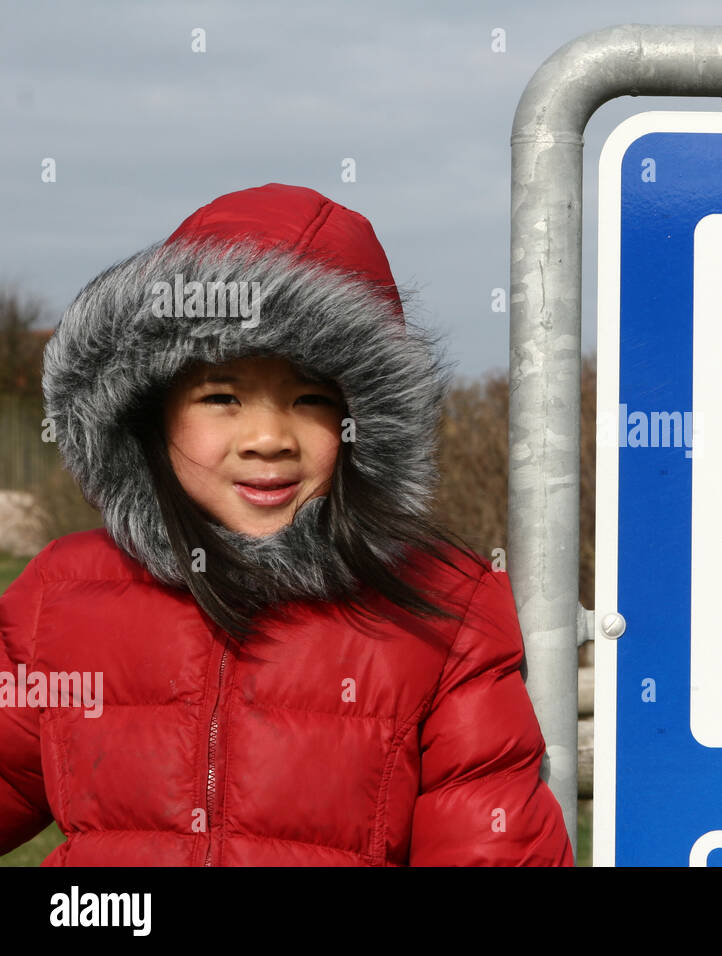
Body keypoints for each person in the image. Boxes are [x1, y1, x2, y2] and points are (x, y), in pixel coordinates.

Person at [0, 183, 573, 865]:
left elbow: (488, 844)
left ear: (363, 424)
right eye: (222, 397)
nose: (268, 438)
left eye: (310, 399)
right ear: (151, 411)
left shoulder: (444, 611)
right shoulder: (65, 595)